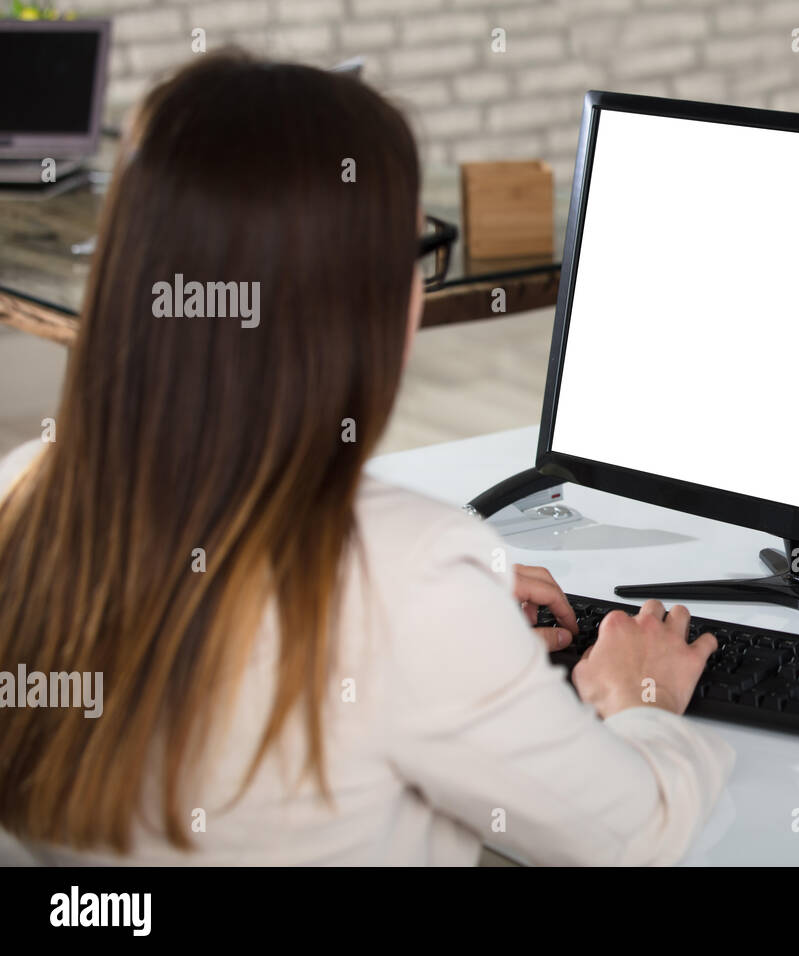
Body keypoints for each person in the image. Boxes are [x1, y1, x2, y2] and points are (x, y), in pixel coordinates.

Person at [0, 52, 732, 866]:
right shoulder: (405, 580)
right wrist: (642, 700)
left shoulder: (22, 494)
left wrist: (459, 612)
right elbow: (638, 837)